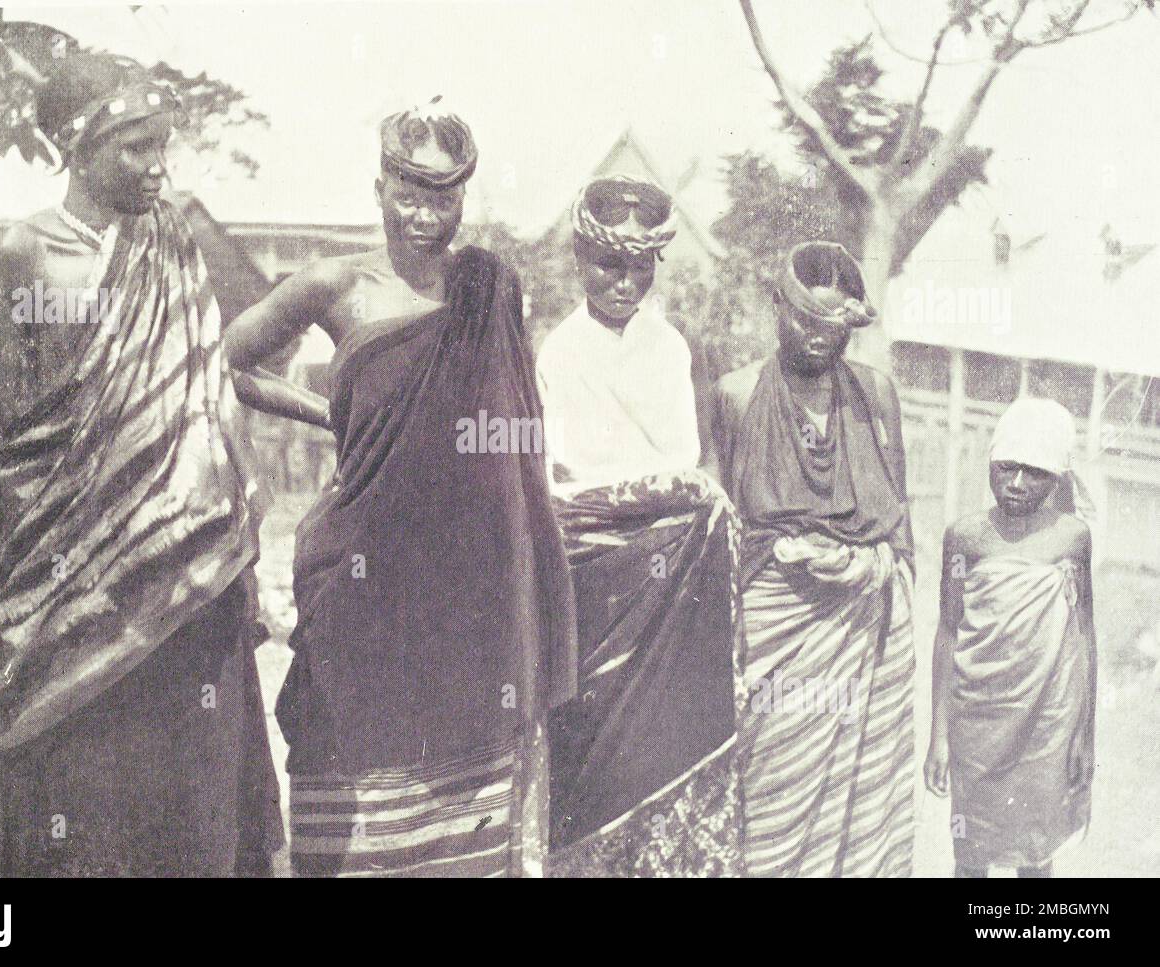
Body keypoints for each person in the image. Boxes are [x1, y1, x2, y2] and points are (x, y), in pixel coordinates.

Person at [224, 100, 577, 878]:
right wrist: (330, 413)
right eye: (409, 191)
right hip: (361, 570)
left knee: (465, 772)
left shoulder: (489, 288)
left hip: (464, 585)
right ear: (378, 187)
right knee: (348, 749)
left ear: (464, 197)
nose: (425, 213)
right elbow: (237, 361)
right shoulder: (334, 285)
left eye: (444, 195)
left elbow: (516, 442)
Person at [0, 53, 284, 875]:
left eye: (163, 145)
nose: (158, 166)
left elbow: (206, 396)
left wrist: (237, 570)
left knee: (189, 798)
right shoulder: (21, 257)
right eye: (137, 147)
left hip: (186, 581)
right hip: (67, 584)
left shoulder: (172, 248)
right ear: (79, 144)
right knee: (81, 795)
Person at [535, 176, 744, 877]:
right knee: (590, 743)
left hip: (667, 560)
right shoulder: (559, 352)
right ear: (579, 258)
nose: (624, 282)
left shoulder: (670, 349)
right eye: (608, 265)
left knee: (662, 740)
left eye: (640, 267)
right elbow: (557, 480)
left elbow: (684, 464)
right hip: (592, 573)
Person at [713, 241, 914, 877]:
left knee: (858, 816)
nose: (819, 338)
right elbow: (722, 536)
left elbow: (900, 524)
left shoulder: (876, 396)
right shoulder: (735, 395)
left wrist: (867, 571)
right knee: (772, 807)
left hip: (862, 636)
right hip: (775, 639)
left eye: (833, 325)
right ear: (777, 305)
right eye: (804, 319)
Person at [925, 397, 1096, 878]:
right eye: (1006, 468)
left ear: (1057, 477)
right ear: (991, 466)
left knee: (1035, 855)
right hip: (977, 722)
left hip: (1047, 725)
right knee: (970, 851)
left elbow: (1085, 638)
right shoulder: (965, 537)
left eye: (1034, 472)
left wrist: (1085, 735)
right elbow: (948, 629)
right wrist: (939, 737)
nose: (1017, 483)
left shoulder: (1072, 539)